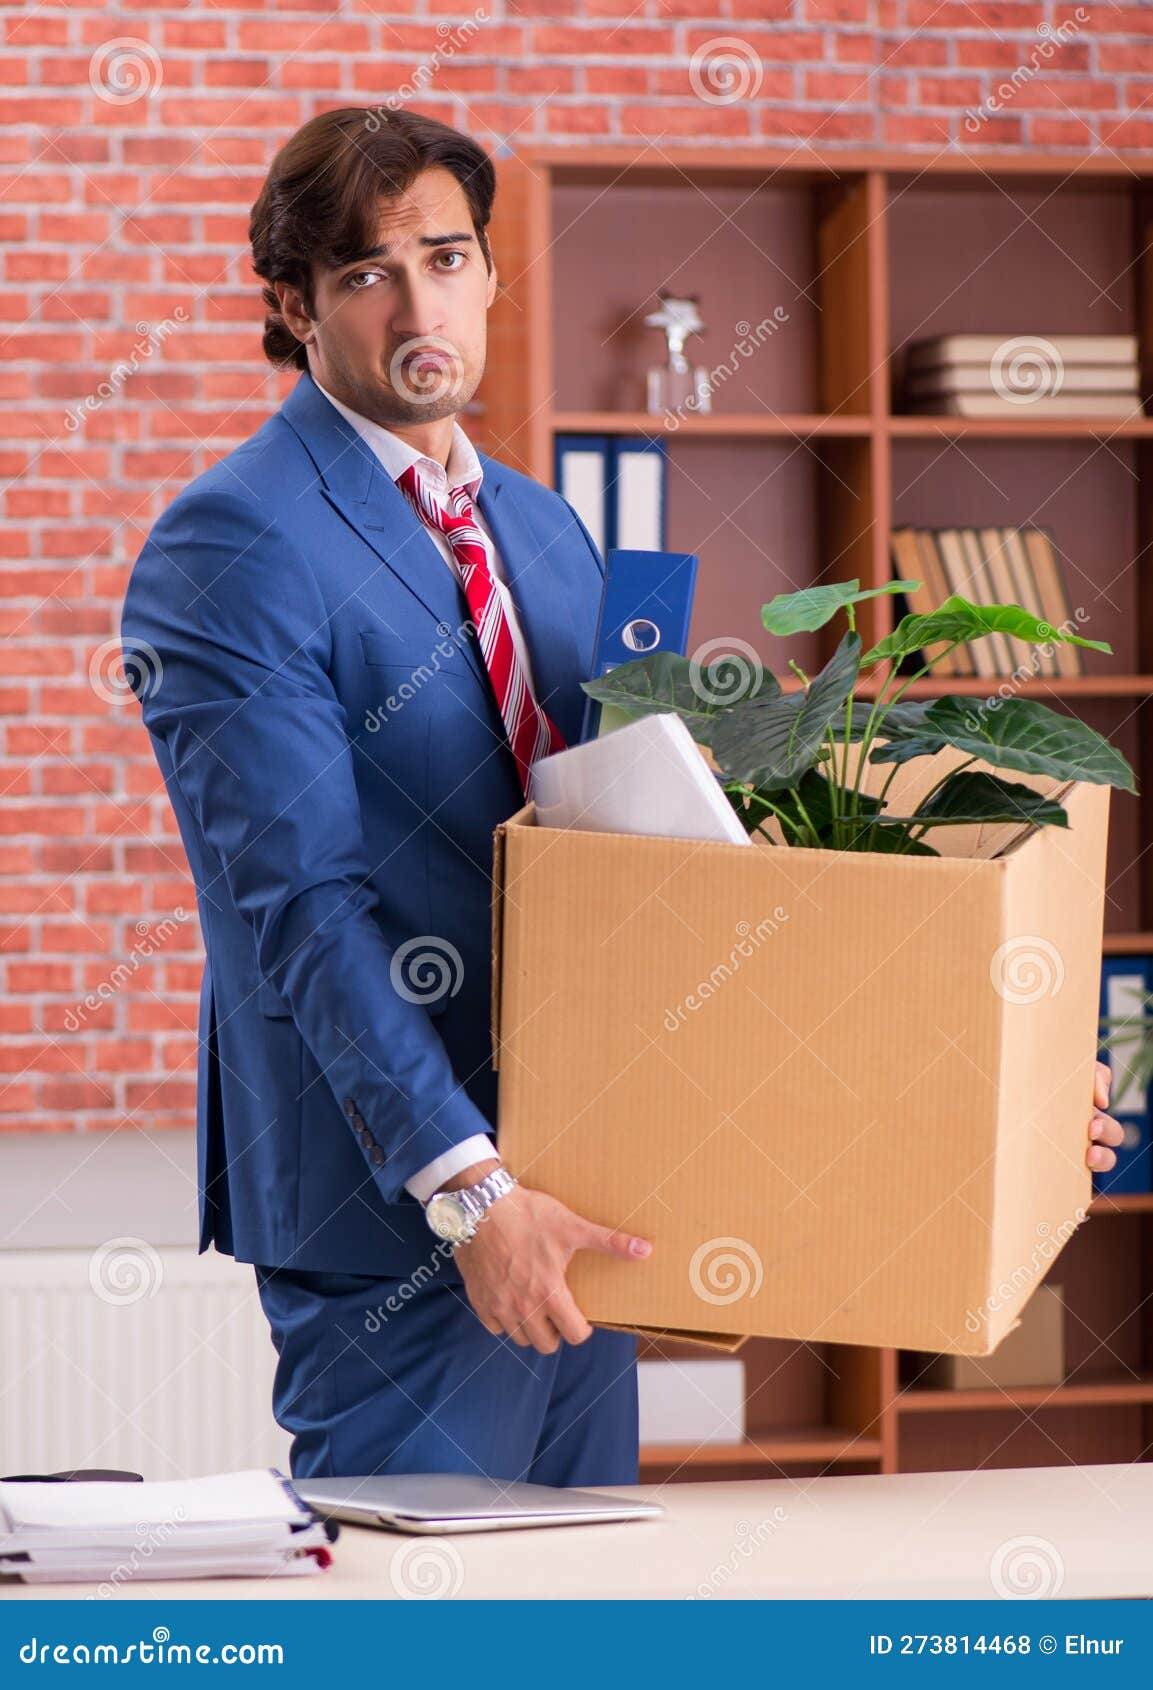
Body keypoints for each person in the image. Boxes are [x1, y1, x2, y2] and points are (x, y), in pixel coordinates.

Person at [119, 106, 1124, 1486]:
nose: (419, 302)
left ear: (488, 271)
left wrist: (980, 1076)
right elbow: (301, 909)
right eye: (363, 272)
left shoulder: (541, 525)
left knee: (577, 1618)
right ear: (293, 306)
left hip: (594, 1169)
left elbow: (660, 855)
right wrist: (471, 1194)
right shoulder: (235, 538)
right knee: (423, 1629)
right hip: (412, 1213)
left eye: (445, 255)